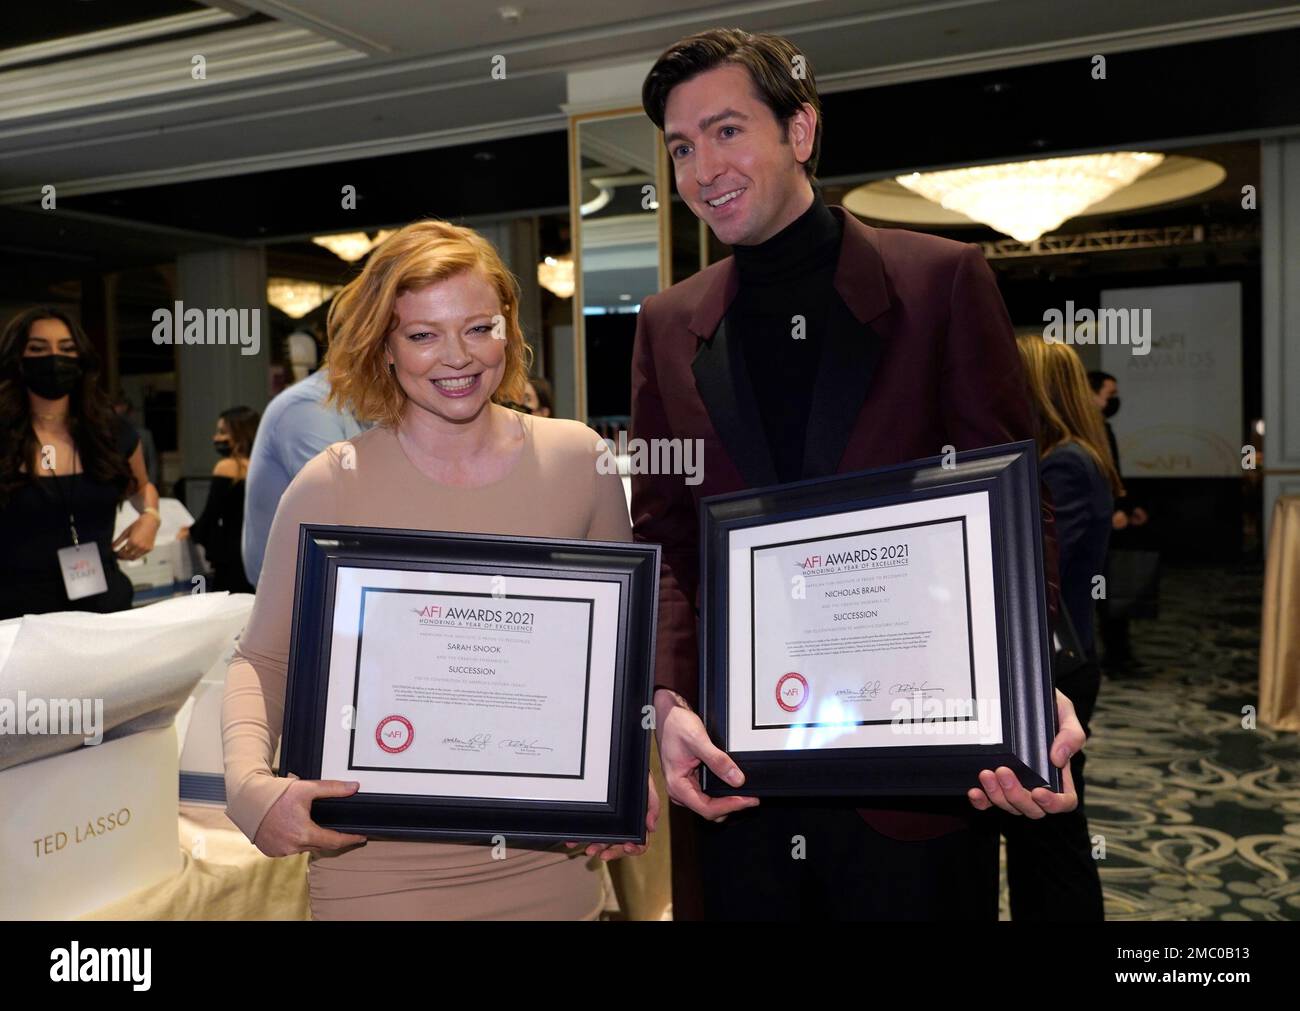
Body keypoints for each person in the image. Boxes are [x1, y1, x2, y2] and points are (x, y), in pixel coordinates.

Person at [631, 28, 1084, 921]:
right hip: (739, 770)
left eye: (727, 131)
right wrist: (668, 698)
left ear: (800, 130)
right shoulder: (667, 323)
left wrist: (1023, 683)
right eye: (681, 148)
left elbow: (1008, 507)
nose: (702, 170)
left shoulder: (939, 281)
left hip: (915, 769)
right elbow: (665, 535)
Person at [221, 219, 658, 920]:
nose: (457, 356)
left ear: (508, 328)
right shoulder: (333, 482)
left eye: (478, 327)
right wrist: (248, 788)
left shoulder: (581, 462)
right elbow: (263, 659)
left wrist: (626, 767)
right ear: (384, 345)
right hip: (376, 863)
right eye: (423, 334)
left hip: (547, 858)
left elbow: (615, 660)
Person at [1004, 338, 1124, 921]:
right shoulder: (1077, 456)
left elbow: (1036, 570)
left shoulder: (1065, 464)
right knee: (1040, 833)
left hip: (1058, 670)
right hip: (1065, 662)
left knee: (1051, 836)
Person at [0, 307, 161, 620]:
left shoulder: (111, 432)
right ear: (17, 357)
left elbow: (141, 487)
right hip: (17, 616)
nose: (54, 358)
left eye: (66, 348)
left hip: (103, 607)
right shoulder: (4, 436)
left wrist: (151, 516)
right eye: (38, 348)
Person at [241, 364, 366, 586]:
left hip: (330, 582)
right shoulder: (306, 407)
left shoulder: (357, 406)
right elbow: (345, 511)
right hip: (300, 592)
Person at [1087, 369, 1149, 675]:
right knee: (1103, 594)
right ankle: (1112, 655)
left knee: (1115, 590)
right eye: (1110, 394)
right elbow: (1095, 479)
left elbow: (1114, 474)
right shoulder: (1084, 431)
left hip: (1113, 519)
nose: (1114, 400)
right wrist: (1110, 510)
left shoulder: (1104, 427)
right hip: (1098, 524)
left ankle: (1118, 653)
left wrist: (1127, 505)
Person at [180, 406, 258, 593]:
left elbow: (211, 515)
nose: (216, 438)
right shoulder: (263, 466)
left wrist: (191, 532)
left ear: (240, 434)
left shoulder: (228, 467)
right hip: (259, 549)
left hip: (233, 554)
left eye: (223, 432)